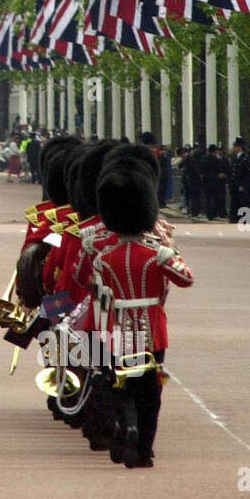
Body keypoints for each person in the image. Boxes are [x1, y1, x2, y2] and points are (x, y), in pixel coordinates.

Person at [90, 155, 194, 467]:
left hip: (120, 327)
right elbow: (187, 278)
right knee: (152, 392)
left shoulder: (103, 258)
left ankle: (129, 424)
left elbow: (102, 294)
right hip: (153, 330)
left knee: (123, 384)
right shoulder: (157, 254)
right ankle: (144, 449)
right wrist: (168, 245)